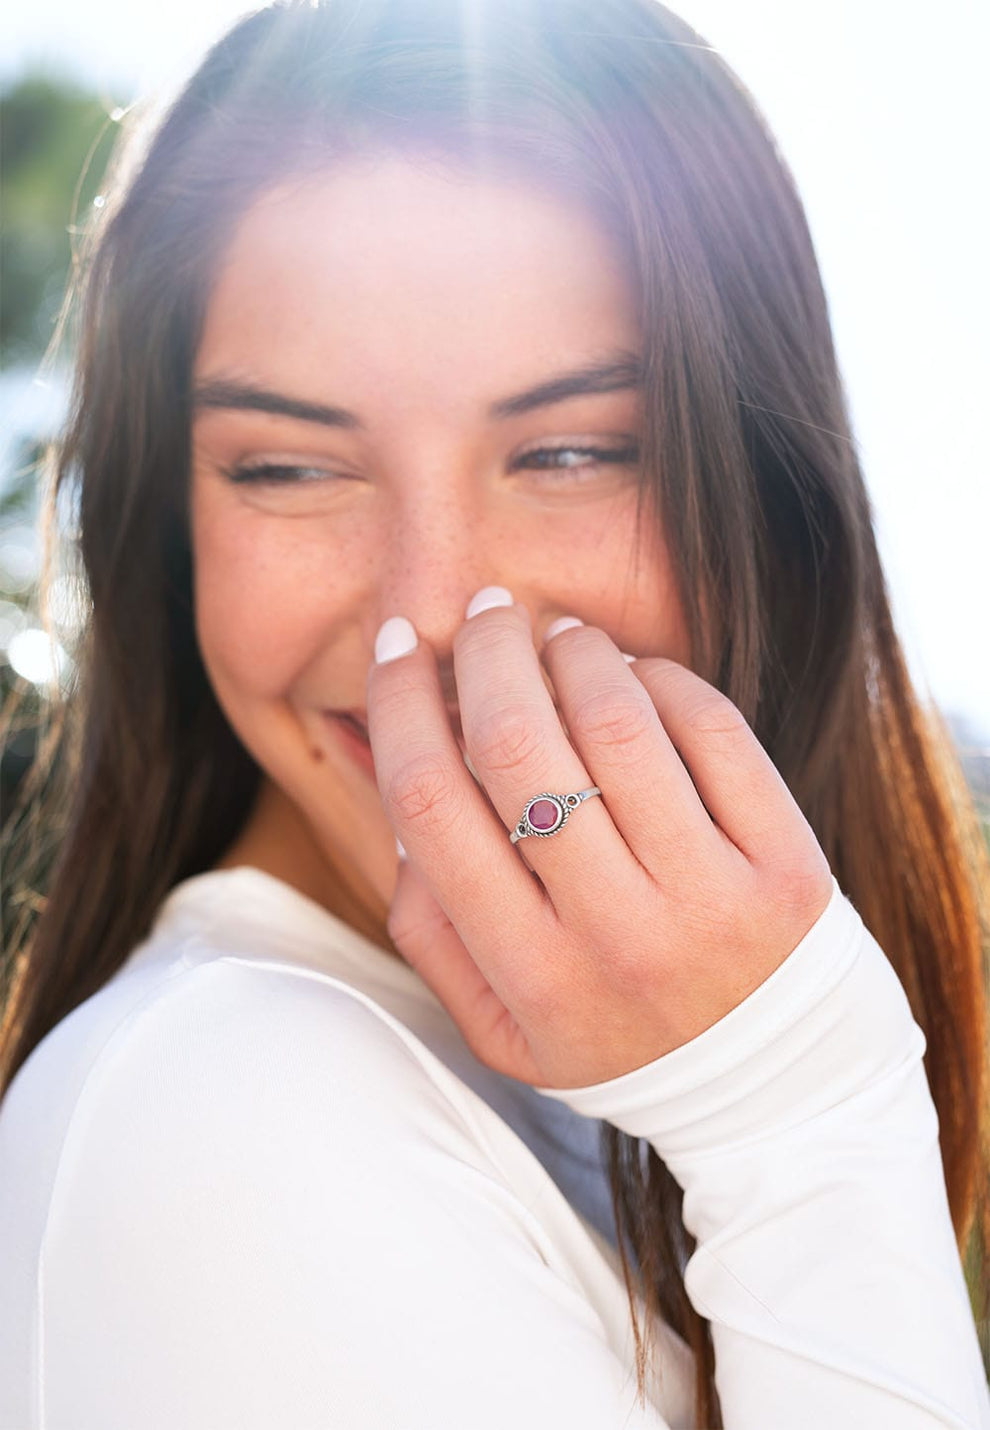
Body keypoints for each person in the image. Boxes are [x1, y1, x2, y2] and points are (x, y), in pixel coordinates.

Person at [1, 1, 988, 1425]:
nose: (429, 613)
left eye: (574, 449)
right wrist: (808, 1115)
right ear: (170, 529)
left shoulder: (584, 1095)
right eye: (285, 466)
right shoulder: (223, 1111)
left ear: (769, 502)